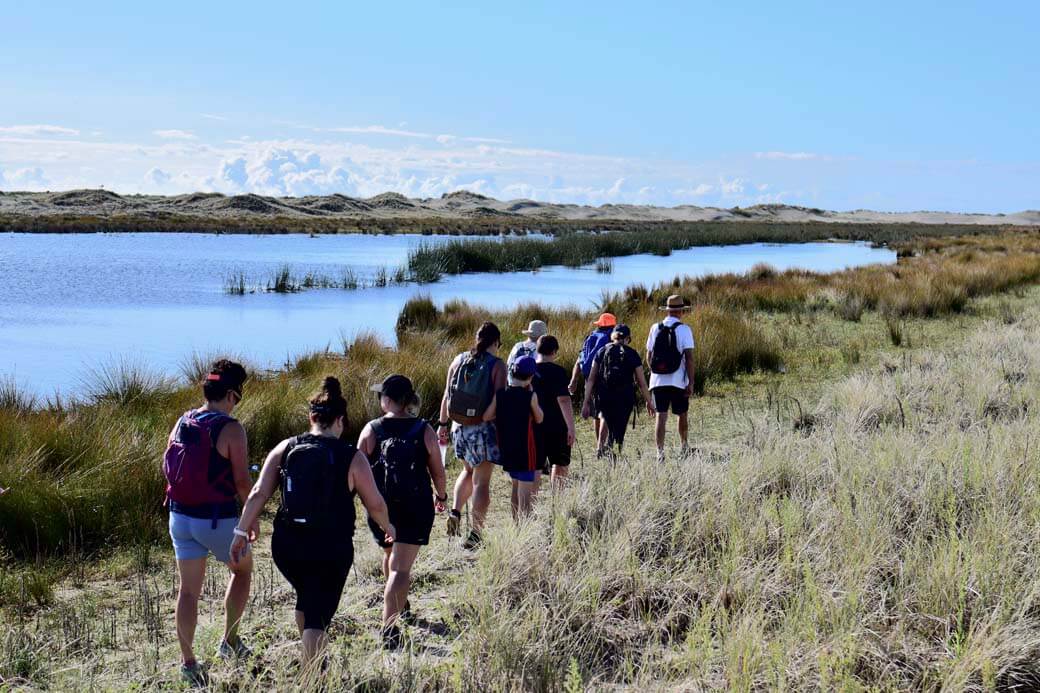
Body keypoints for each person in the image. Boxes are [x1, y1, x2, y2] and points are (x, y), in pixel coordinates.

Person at [229, 377, 395, 667]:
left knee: (307, 597)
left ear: (311, 417)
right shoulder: (352, 457)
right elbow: (376, 503)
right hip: (331, 546)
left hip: (287, 545)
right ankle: (312, 676)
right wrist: (388, 526)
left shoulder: (285, 447)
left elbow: (258, 493)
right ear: (340, 420)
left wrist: (241, 531)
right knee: (318, 615)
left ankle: (313, 658)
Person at [163, 359, 254, 687]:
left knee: (188, 592)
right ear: (230, 394)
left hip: (179, 517)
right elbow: (242, 482)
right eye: (237, 397)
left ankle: (188, 663)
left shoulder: (183, 420)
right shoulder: (231, 429)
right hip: (216, 519)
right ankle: (229, 642)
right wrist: (250, 519)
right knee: (241, 571)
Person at [358, 375, 448, 649]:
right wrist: (441, 496)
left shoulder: (371, 430)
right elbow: (438, 471)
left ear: (387, 400)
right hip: (415, 507)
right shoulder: (424, 430)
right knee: (401, 568)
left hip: (380, 508)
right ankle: (389, 628)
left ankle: (399, 604)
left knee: (390, 556)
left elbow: (356, 469)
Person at [438, 321, 507, 549]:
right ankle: (475, 534)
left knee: (467, 471)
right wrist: (490, 418)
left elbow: (447, 395)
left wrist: (442, 424)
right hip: (482, 429)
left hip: (458, 427)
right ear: (495, 342)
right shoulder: (497, 365)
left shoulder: (459, 359)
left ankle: (455, 512)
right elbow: (499, 398)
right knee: (482, 482)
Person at [483, 356, 544, 519]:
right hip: (526, 450)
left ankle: (516, 525)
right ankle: (525, 528)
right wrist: (532, 398)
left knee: (515, 488)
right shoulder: (530, 396)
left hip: (507, 449)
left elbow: (486, 416)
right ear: (530, 377)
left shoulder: (501, 394)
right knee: (525, 496)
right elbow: (539, 418)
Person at [581, 325, 654, 456]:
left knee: (605, 417)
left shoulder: (602, 351)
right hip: (625, 395)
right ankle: (615, 449)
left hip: (604, 393)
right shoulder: (632, 353)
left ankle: (600, 449)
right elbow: (641, 382)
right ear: (627, 338)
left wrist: (586, 402)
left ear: (613, 336)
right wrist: (649, 401)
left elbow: (591, 378)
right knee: (620, 424)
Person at [645, 295, 696, 462]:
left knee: (661, 416)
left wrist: (655, 372)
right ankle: (684, 447)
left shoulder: (655, 328)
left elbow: (648, 356)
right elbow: (689, 358)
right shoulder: (684, 329)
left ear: (667, 311)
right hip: (678, 380)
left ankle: (659, 453)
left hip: (657, 381)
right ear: (681, 311)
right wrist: (691, 382)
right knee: (682, 413)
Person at [532, 335, 576, 487]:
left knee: (535, 466)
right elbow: (564, 400)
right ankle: (557, 498)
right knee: (560, 463)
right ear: (554, 351)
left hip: (534, 424)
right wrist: (571, 427)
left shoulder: (529, 370)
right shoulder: (558, 371)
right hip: (557, 425)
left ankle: (531, 499)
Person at [569, 313, 617, 439]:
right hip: (606, 379)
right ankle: (604, 444)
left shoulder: (591, 337)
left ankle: (599, 443)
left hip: (589, 379)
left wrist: (574, 380)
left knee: (596, 413)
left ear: (600, 324)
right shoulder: (612, 338)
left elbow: (580, 360)